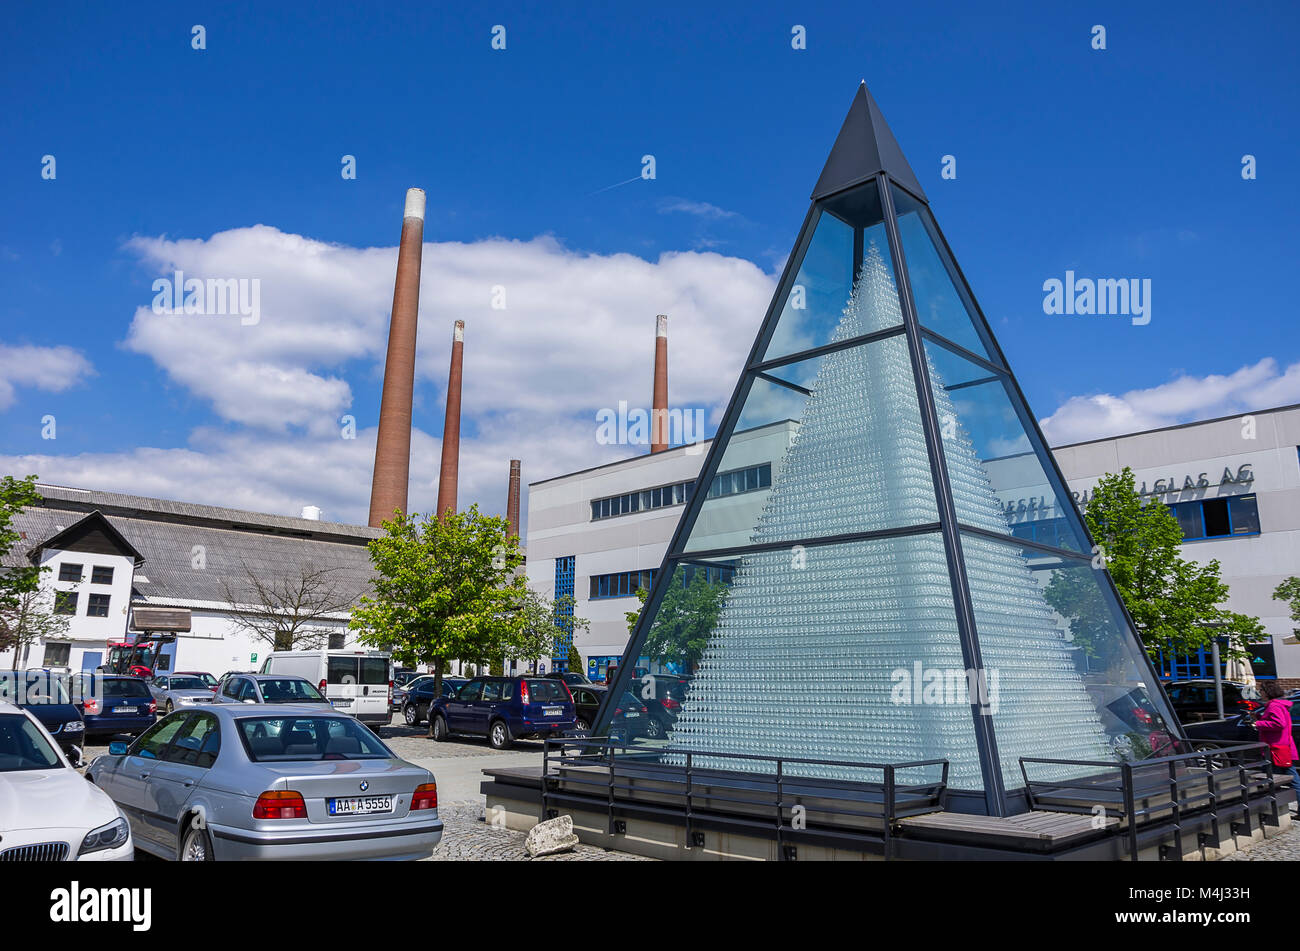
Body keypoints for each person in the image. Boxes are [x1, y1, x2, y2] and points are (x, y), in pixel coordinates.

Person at [1251, 681, 1300, 803]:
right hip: (1280, 747)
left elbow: (1279, 723)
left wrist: (1258, 723)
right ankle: (1273, 805)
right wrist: (1258, 717)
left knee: (1286, 779)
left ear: (1268, 692)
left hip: (1277, 749)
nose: (1260, 693)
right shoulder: (1277, 705)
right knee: (1277, 778)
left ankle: (1271, 806)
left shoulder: (1274, 705)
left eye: (1261, 690)